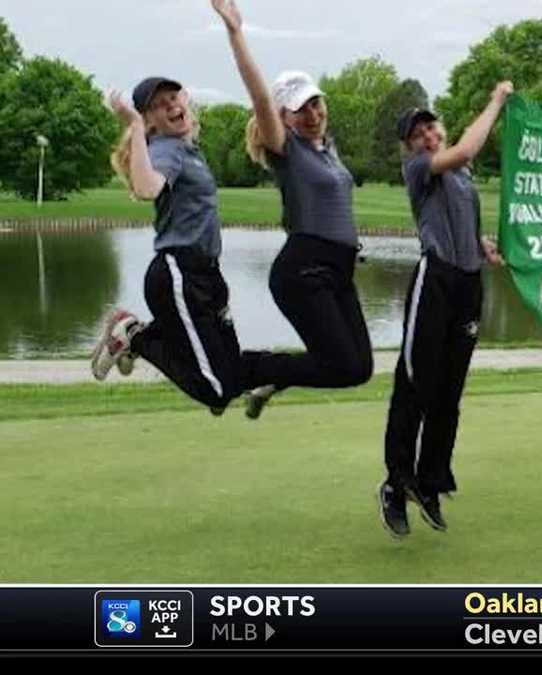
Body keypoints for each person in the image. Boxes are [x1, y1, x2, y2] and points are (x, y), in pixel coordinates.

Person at [212, 0, 373, 420]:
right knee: (340, 364)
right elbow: (259, 96)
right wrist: (235, 32)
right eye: (301, 108)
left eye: (316, 103)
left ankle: (276, 376)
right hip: (303, 271)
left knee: (359, 369)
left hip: (338, 269)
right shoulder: (287, 149)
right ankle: (250, 369)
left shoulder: (328, 148)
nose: (314, 113)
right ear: (284, 117)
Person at [378, 83, 510, 538]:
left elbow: (461, 222)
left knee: (448, 393)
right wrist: (494, 100)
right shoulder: (420, 168)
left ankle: (431, 482)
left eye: (431, 126)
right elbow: (467, 148)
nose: (427, 136)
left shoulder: (464, 178)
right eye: (417, 133)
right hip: (433, 281)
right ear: (408, 146)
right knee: (415, 383)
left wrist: (481, 245)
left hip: (468, 285)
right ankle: (397, 483)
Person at [95, 78, 255, 415]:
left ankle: (149, 332)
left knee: (229, 380)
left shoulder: (186, 149)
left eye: (173, 97)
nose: (170, 105)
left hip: (206, 275)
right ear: (150, 119)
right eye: (158, 105)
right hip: (179, 272)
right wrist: (136, 128)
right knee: (215, 392)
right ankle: (134, 336)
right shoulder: (166, 149)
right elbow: (147, 188)